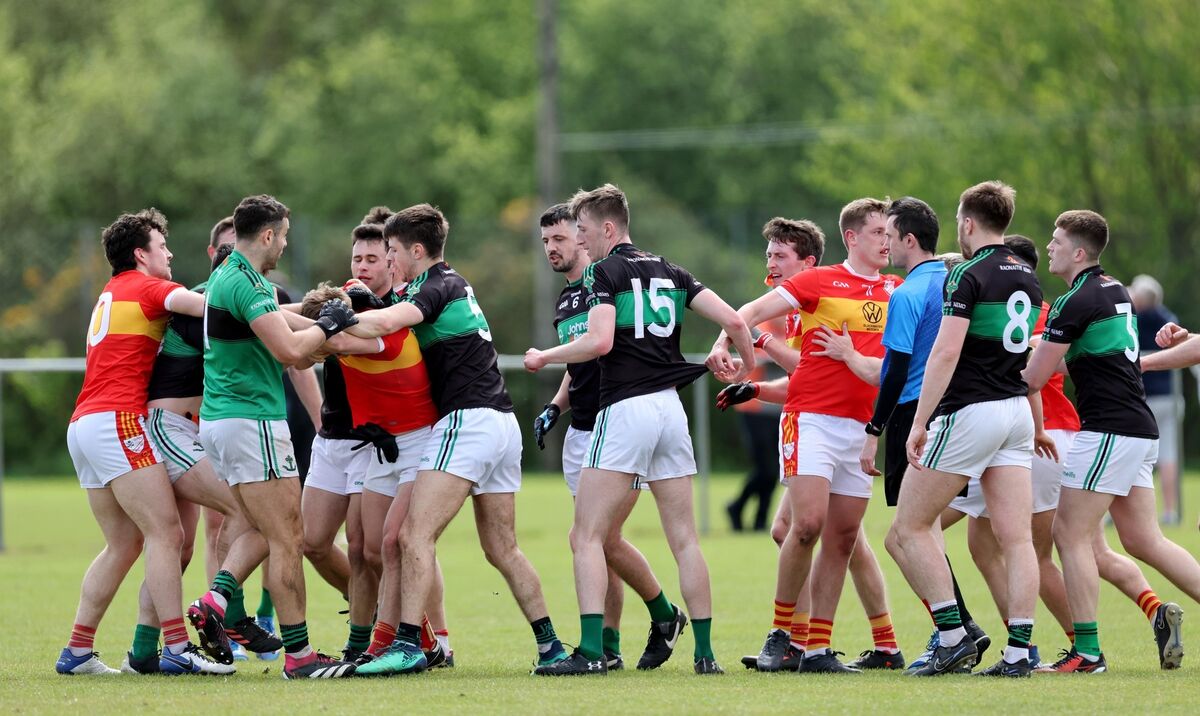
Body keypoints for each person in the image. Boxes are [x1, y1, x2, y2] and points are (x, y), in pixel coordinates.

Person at [525, 183, 754, 676]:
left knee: (586, 536)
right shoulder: (670, 269)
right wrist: (747, 369)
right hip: (671, 410)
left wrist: (546, 356)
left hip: (626, 410)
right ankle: (706, 655)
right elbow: (736, 320)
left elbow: (600, 341)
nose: (580, 242)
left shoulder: (606, 272)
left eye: (583, 231)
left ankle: (589, 653)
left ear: (608, 228)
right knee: (686, 540)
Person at [348, 203, 569, 676]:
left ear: (418, 250)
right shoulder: (450, 283)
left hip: (467, 422)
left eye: (391, 251)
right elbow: (387, 314)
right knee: (502, 548)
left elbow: (388, 324)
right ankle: (551, 647)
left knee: (413, 534)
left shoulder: (436, 286)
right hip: (501, 424)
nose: (387, 260)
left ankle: (409, 645)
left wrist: (332, 322)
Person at [711, 200, 900, 674]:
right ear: (852, 237)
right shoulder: (818, 281)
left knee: (844, 539)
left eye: (890, 232)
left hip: (863, 427)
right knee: (806, 525)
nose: (887, 240)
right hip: (811, 418)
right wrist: (724, 344)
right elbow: (749, 312)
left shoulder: (899, 288)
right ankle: (782, 635)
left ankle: (818, 648)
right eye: (878, 231)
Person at [187, 194, 360, 679]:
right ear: (267, 235)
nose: (284, 243)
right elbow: (288, 351)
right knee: (290, 536)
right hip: (252, 422)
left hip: (223, 423)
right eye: (282, 235)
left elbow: (296, 350)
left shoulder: (227, 276)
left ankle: (216, 600)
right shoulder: (249, 283)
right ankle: (301, 658)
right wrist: (328, 325)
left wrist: (322, 335)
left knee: (257, 528)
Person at [58, 209, 231, 676]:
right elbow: (216, 306)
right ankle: (176, 649)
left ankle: (76, 652)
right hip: (118, 420)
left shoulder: (112, 292)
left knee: (123, 543)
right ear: (141, 254)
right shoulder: (149, 287)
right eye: (162, 246)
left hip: (84, 424)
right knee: (167, 534)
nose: (170, 253)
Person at [1025, 210, 1195, 673]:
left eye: (1057, 241)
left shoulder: (1072, 301)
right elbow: (1073, 360)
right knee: (1144, 540)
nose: (1049, 246)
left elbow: (1037, 377)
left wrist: (990, 369)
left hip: (1108, 431)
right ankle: (1103, 641)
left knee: (1069, 534)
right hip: (1136, 429)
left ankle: (1087, 653)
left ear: (1079, 252)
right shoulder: (1114, 290)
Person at [887, 180, 1044, 677]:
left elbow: (947, 351)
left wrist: (918, 422)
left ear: (968, 223)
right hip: (1015, 413)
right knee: (1016, 539)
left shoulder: (965, 273)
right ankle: (1019, 652)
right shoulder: (1027, 274)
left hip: (971, 411)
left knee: (907, 529)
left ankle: (952, 636)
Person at [121, 244, 283, 674]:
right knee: (250, 511)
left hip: (186, 431)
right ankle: (226, 611)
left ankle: (142, 650)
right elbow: (269, 322)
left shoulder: (208, 305)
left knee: (179, 548)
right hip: (167, 429)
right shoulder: (206, 308)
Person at [531, 202, 670, 671]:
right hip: (581, 431)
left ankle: (656, 617)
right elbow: (580, 366)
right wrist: (554, 406)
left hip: (619, 427)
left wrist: (543, 356)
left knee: (598, 536)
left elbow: (603, 344)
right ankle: (612, 644)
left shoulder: (605, 284)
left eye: (562, 238)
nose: (553, 248)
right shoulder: (565, 298)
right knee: (596, 541)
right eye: (546, 241)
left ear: (585, 237)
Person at [1130, 274, 1182, 524]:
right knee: (1169, 456)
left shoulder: (1133, 320)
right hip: (1170, 396)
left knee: (1134, 454)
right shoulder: (1169, 319)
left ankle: (1131, 514)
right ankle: (1170, 511)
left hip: (1144, 398)